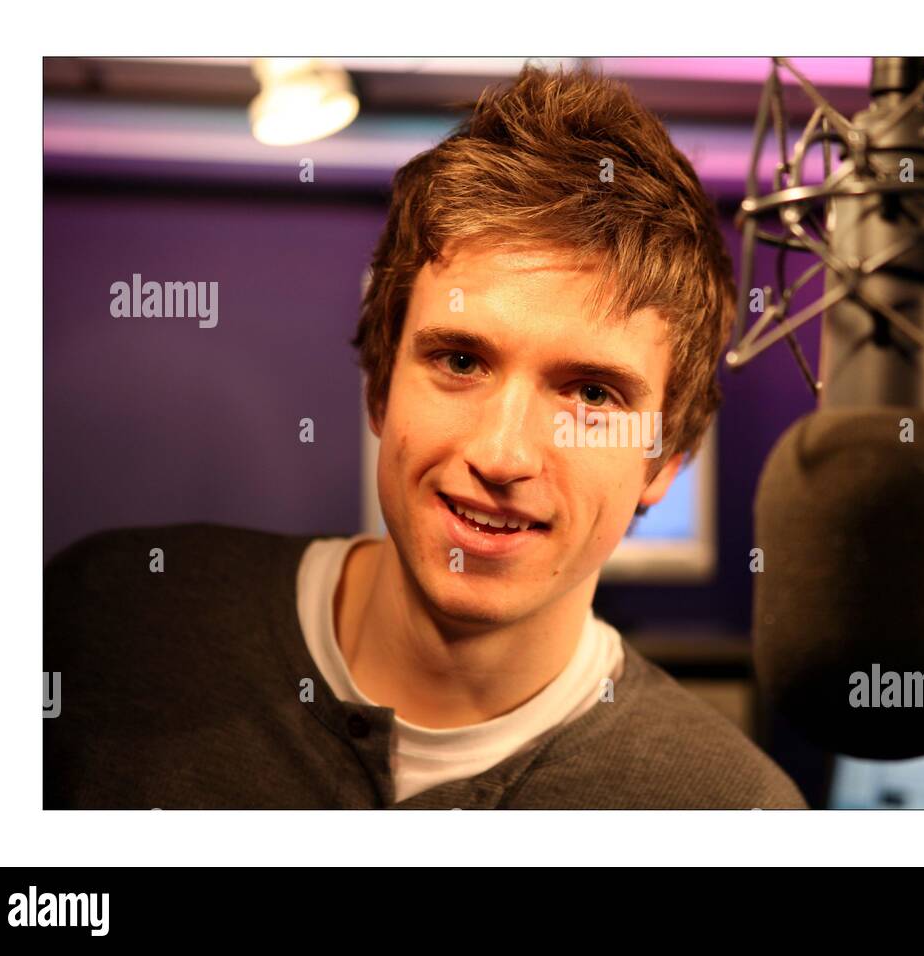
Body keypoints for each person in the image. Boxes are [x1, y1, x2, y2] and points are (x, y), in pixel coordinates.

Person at [44, 64, 808, 810]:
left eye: (591, 393)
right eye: (461, 360)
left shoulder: (730, 812)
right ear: (380, 385)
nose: (502, 456)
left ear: (663, 462)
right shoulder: (106, 619)